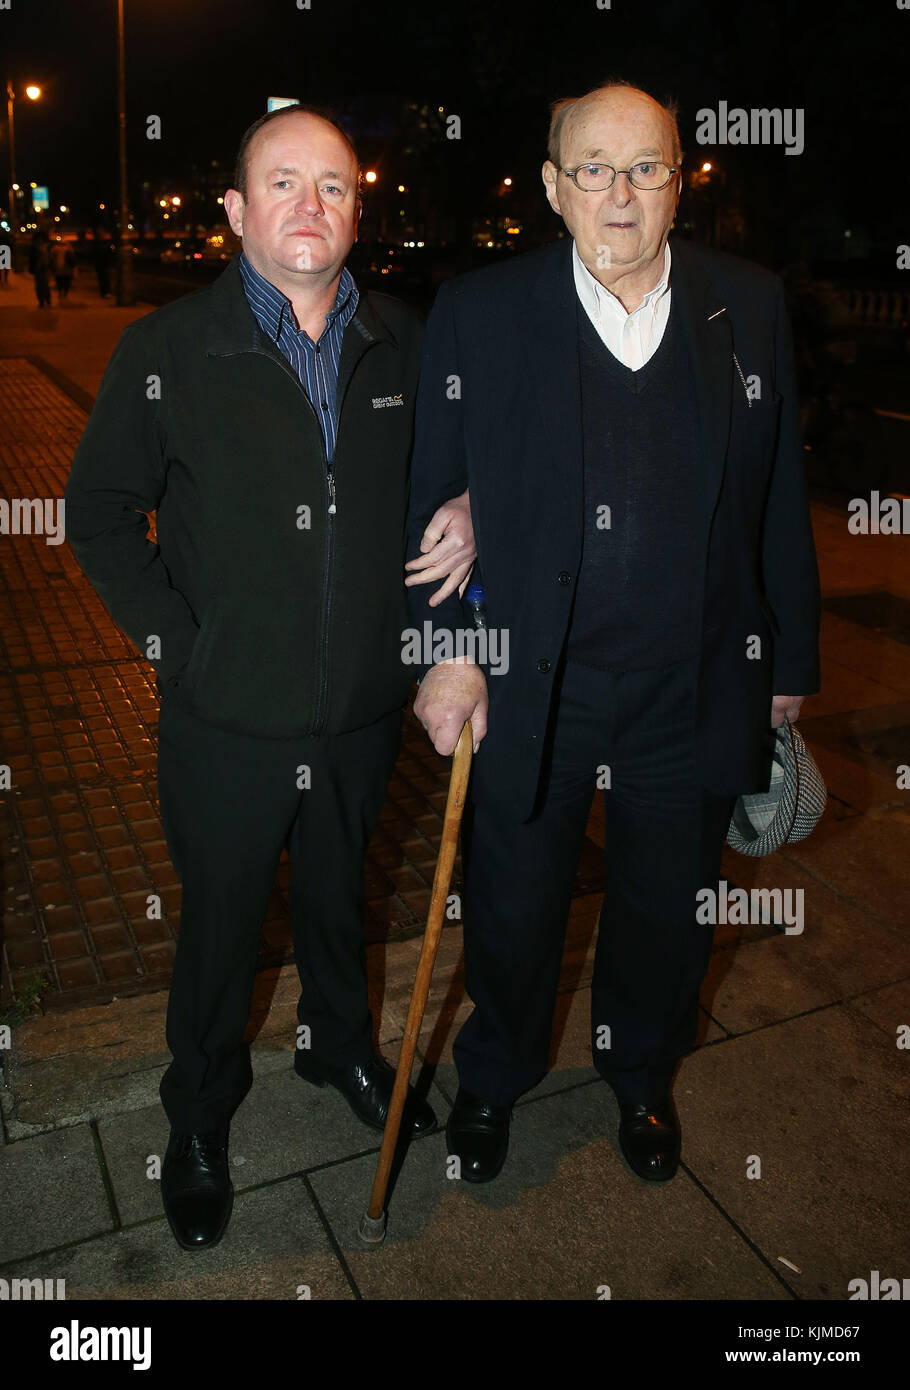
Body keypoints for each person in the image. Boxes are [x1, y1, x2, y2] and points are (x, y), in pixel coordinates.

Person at [64, 104, 476, 1250]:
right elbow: (96, 513)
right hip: (226, 720)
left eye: (334, 185)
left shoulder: (405, 337)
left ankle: (339, 1044)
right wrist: (178, 645)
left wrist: (473, 506)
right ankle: (197, 1116)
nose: (311, 204)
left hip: (358, 715)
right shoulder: (170, 348)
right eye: (283, 183)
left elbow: (460, 472)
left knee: (343, 903)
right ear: (238, 211)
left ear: (357, 208)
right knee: (222, 929)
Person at [407, 81, 820, 1185]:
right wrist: (447, 651)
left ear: (680, 182)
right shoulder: (481, 312)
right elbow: (433, 502)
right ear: (553, 188)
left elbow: (775, 495)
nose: (621, 192)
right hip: (535, 682)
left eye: (646, 166)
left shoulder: (749, 304)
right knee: (513, 900)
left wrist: (785, 663)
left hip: (688, 680)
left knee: (663, 907)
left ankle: (640, 1074)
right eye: (594, 167)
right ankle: (492, 1076)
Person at [28, 230, 52, 307]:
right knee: (39, 286)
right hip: (37, 269)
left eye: (41, 238)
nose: (39, 240)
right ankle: (41, 301)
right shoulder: (33, 248)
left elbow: (51, 258)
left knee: (45, 285)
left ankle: (47, 300)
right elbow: (31, 259)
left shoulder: (47, 247)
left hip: (46, 269)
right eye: (38, 239)